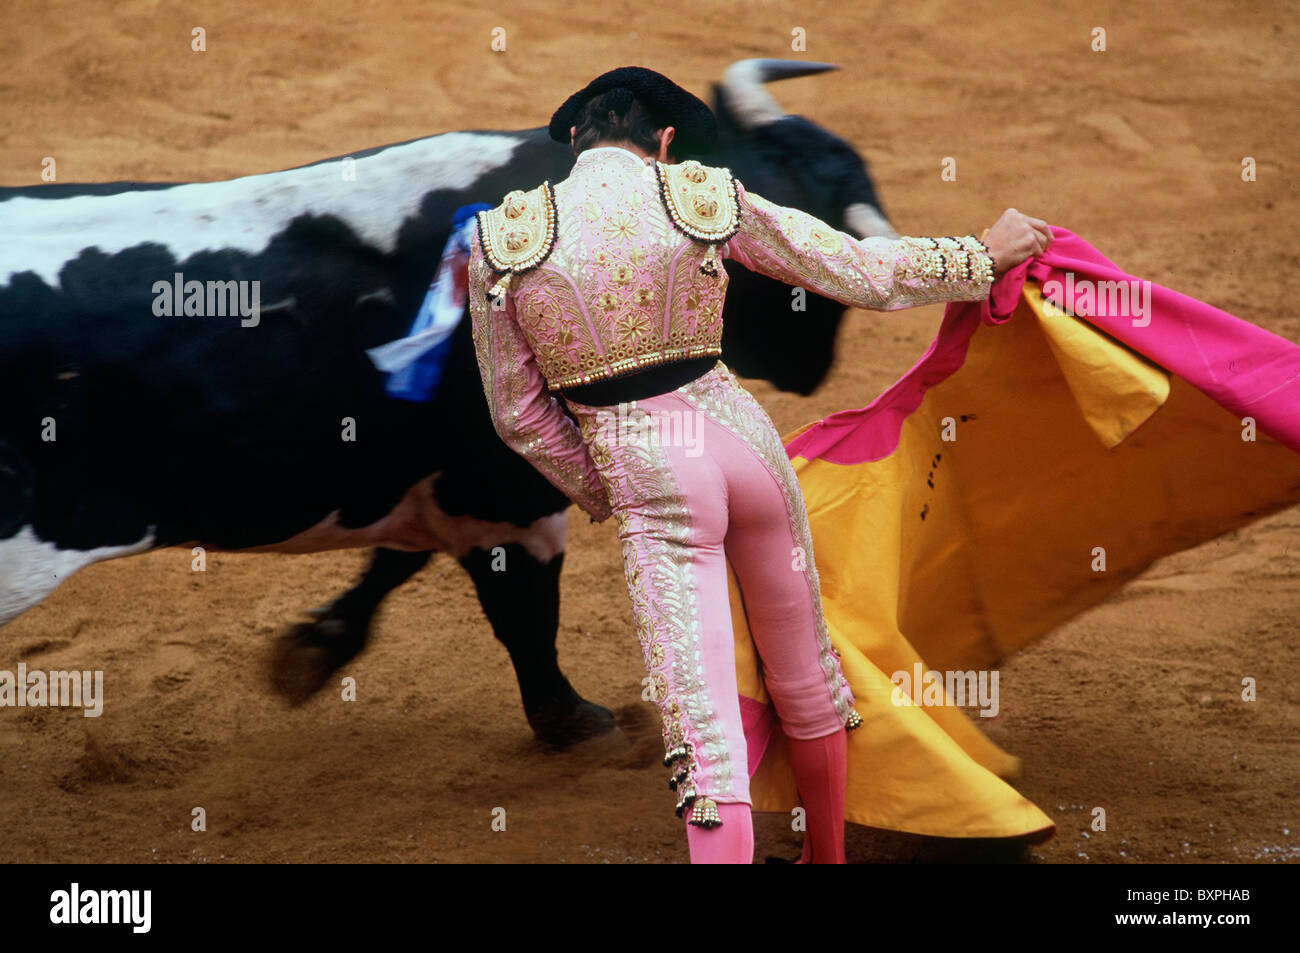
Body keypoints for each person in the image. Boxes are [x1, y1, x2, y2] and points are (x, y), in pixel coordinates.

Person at [467, 66, 1051, 864]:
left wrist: (609, 487)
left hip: (649, 468)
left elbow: (517, 415)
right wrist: (980, 257)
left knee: (704, 735)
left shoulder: (501, 239)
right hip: (748, 448)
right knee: (807, 678)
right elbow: (861, 270)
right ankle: (826, 859)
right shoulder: (703, 195)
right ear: (664, 143)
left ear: (574, 142)